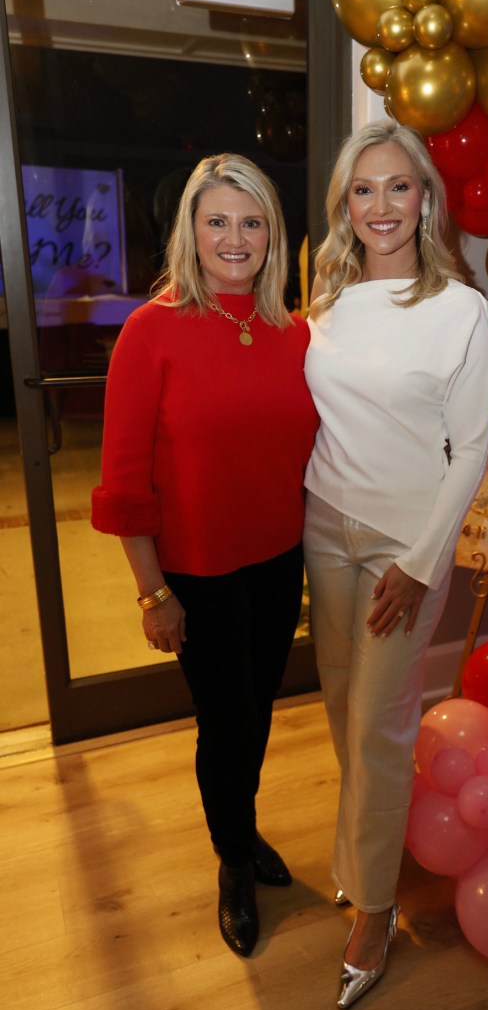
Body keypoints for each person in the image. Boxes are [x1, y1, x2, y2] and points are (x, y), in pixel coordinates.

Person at [91, 153, 319, 958]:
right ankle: (233, 859)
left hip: (277, 560)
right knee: (225, 721)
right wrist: (153, 593)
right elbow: (122, 481)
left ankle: (243, 825)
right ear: (189, 228)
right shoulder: (151, 330)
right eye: (216, 220)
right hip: (196, 570)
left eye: (251, 222)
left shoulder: (294, 333)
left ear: (272, 234)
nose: (234, 237)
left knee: (256, 710)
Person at [303, 120, 488, 1009]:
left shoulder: (460, 309)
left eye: (398, 187)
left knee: (381, 726)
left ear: (426, 199)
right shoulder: (328, 300)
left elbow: (472, 450)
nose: (380, 206)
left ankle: (376, 908)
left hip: (402, 550)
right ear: (345, 205)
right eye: (363, 190)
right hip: (324, 524)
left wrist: (421, 564)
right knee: (344, 710)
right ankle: (359, 861)